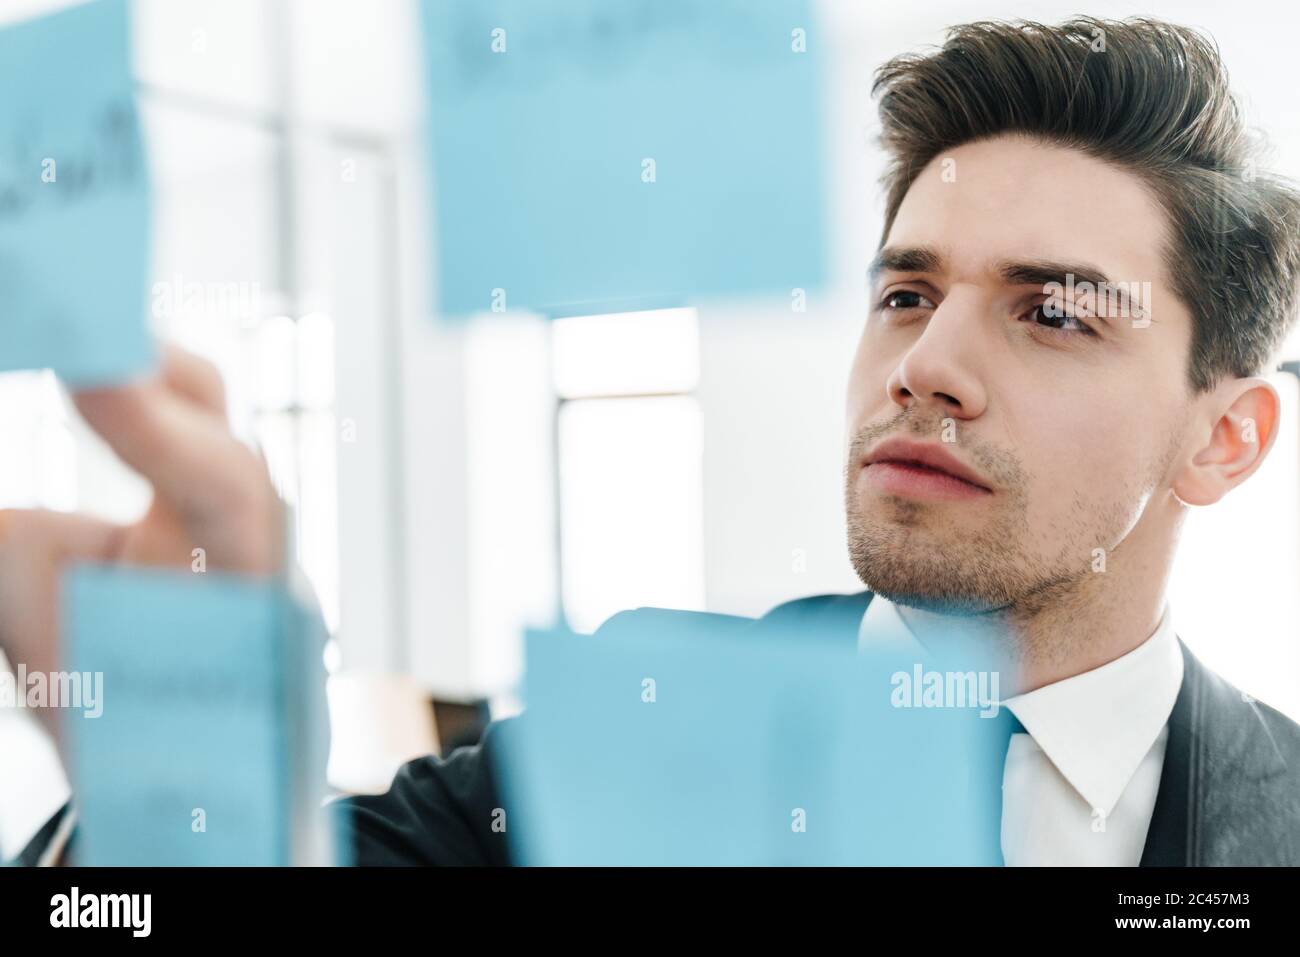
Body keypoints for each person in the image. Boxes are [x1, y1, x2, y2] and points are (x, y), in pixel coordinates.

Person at [6, 16, 1300, 866]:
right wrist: (176, 788)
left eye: (1054, 313)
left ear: (1226, 438)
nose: (925, 365)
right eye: (906, 294)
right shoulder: (620, 728)